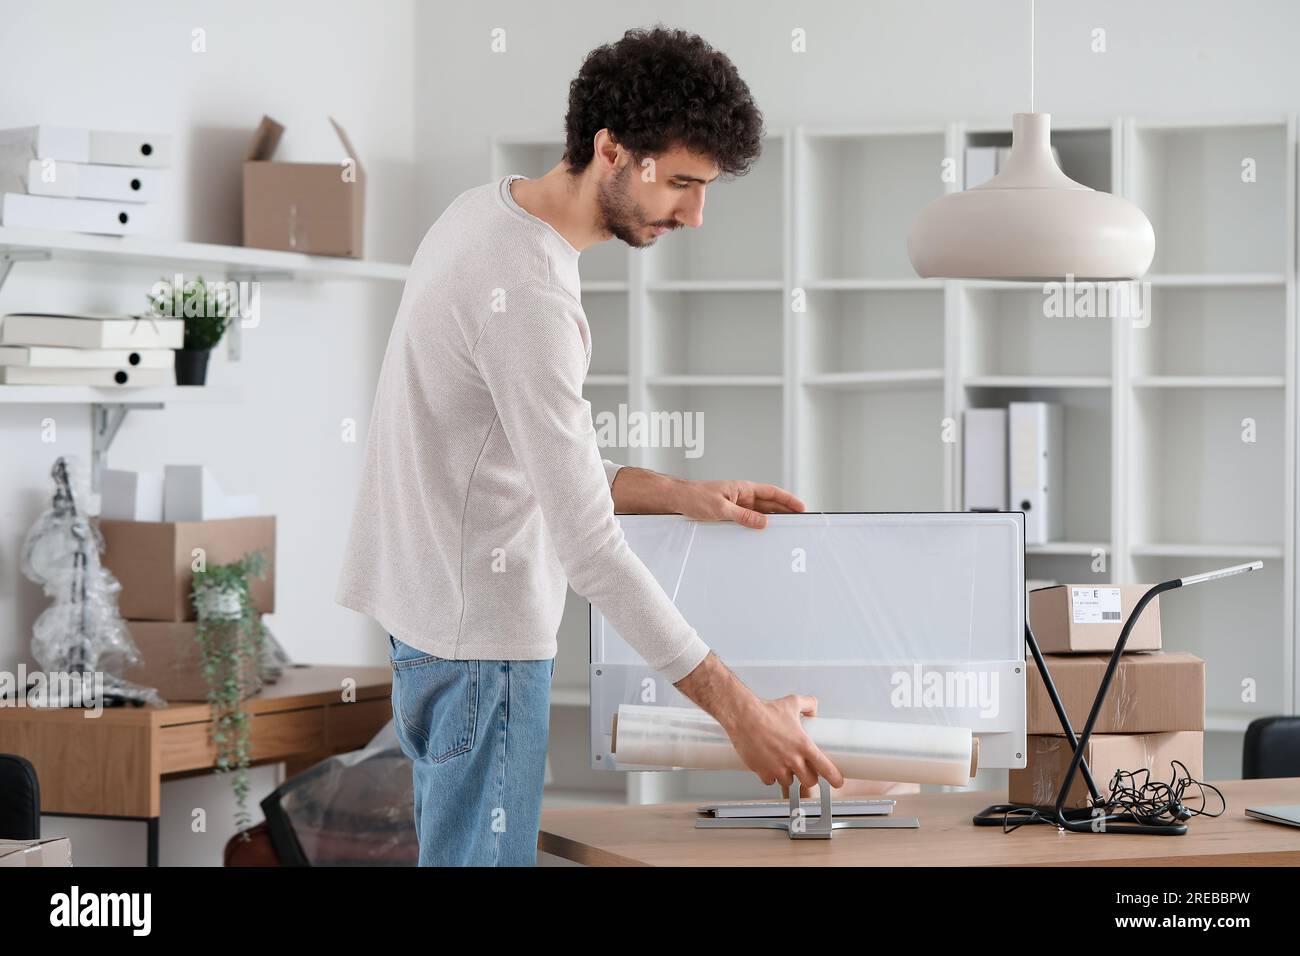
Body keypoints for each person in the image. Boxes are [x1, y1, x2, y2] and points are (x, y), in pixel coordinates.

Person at [335, 25, 844, 867]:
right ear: (611, 150)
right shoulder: (530, 292)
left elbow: (529, 457)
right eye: (681, 183)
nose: (695, 214)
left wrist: (678, 494)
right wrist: (744, 715)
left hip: (433, 633)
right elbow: (591, 551)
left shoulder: (481, 214)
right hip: (484, 656)